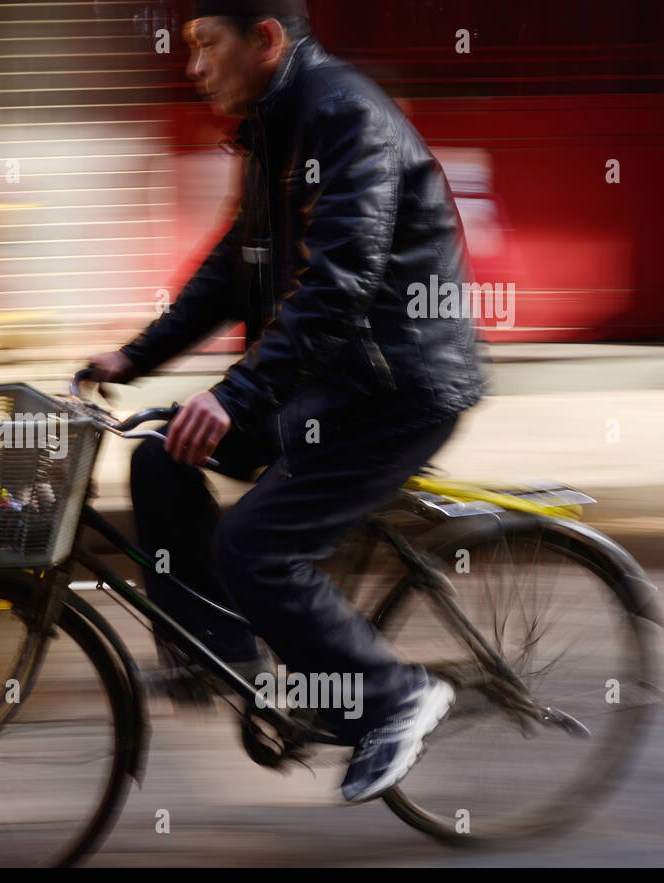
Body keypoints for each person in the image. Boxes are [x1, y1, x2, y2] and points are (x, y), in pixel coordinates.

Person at [84, 0, 487, 802]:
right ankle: (229, 661)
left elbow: (340, 285)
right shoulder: (276, 123)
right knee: (161, 456)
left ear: (265, 39)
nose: (191, 66)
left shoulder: (344, 115)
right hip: (323, 383)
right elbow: (235, 267)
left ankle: (396, 696)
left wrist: (235, 395)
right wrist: (136, 354)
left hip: (394, 390)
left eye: (205, 46)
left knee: (253, 547)